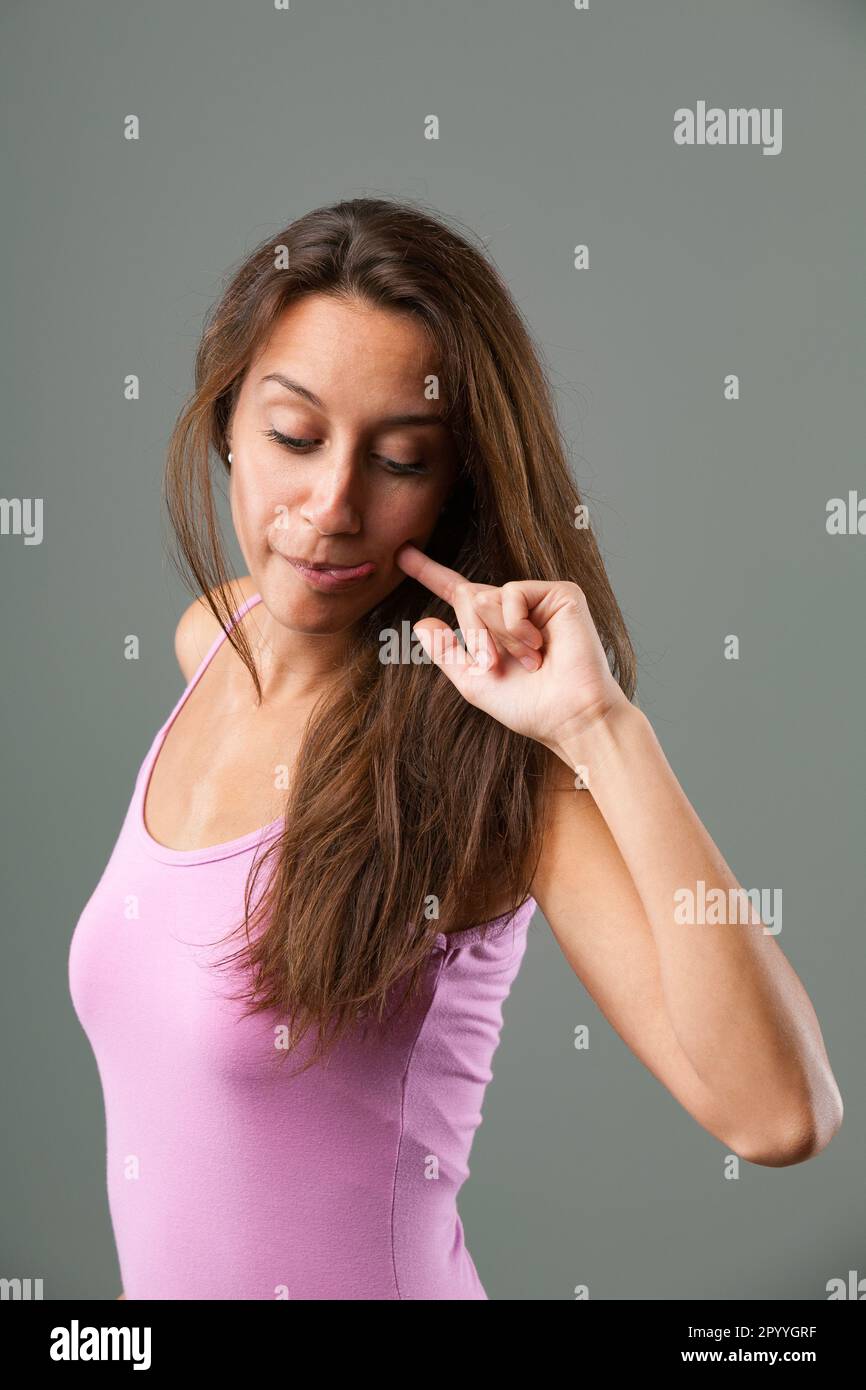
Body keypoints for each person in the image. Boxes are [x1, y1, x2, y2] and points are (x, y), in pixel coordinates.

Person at [69, 196, 843, 1301]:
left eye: (398, 460)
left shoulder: (482, 767)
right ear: (225, 419)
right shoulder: (216, 639)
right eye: (293, 437)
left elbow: (780, 1114)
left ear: (456, 484)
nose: (331, 504)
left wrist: (598, 728)